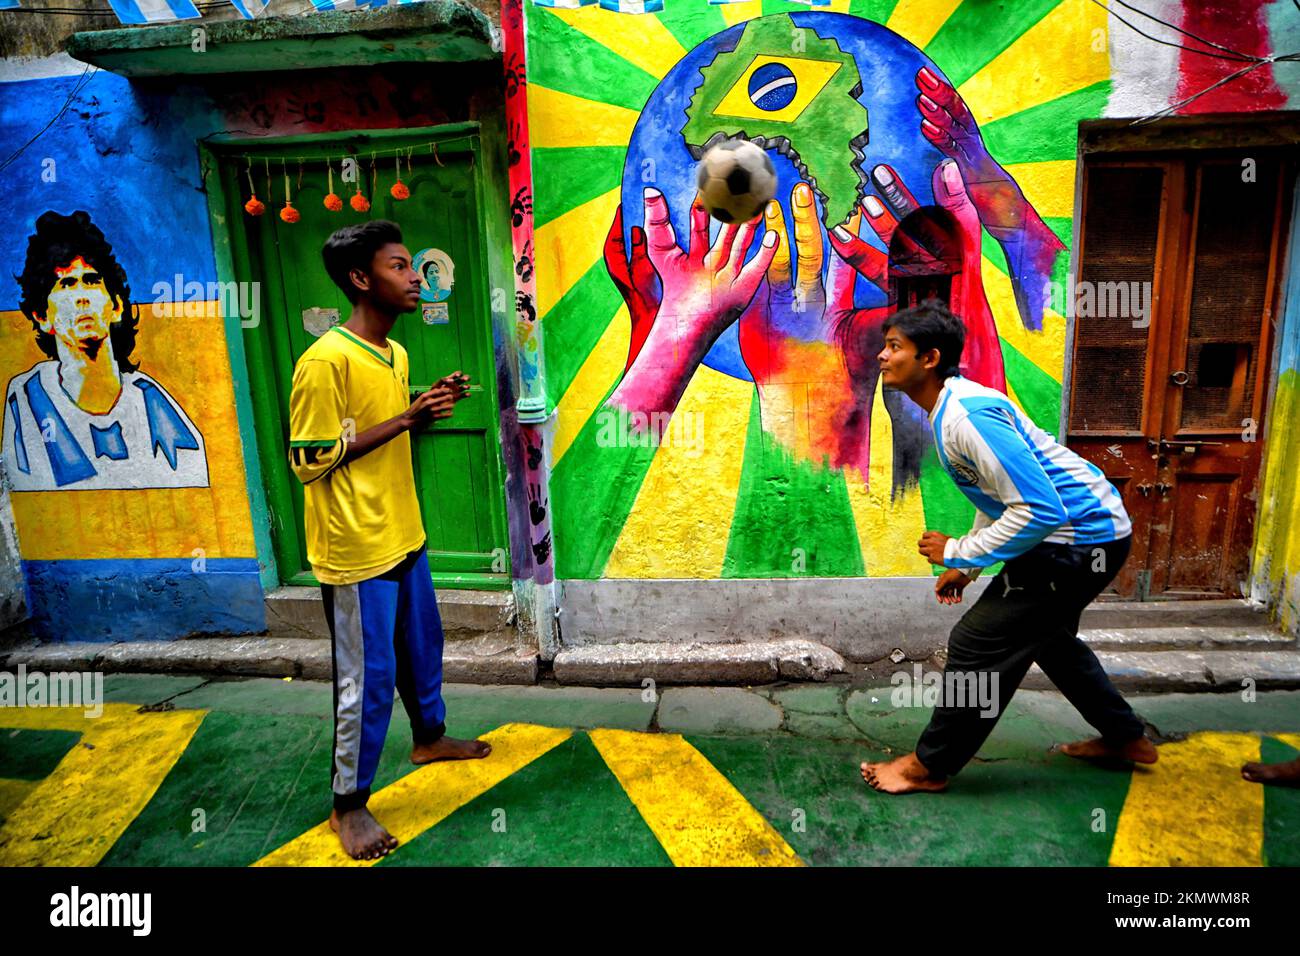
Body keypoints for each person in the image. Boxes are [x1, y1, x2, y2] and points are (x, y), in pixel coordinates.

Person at [859, 300, 1158, 795]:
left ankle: (929, 767)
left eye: (894, 347)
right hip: (1080, 537)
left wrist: (958, 551)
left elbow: (1040, 510)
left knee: (977, 643)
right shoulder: (952, 409)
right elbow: (1000, 496)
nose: (882, 358)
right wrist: (971, 565)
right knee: (1049, 640)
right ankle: (1126, 738)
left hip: (1079, 542)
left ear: (929, 358)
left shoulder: (967, 417)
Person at [289, 219, 489, 859]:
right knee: (367, 682)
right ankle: (347, 805)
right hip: (354, 552)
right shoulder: (323, 362)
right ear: (360, 279)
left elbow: (377, 430)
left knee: (423, 650)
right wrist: (406, 416)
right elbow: (309, 457)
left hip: (404, 533)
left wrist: (421, 405)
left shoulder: (394, 354)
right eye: (400, 266)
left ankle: (429, 738)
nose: (415, 277)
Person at [6, 210, 207, 491]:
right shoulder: (29, 399)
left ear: (116, 307)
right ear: (42, 316)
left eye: (91, 281)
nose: (81, 297)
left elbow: (193, 481)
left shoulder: (152, 404)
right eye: (66, 284)